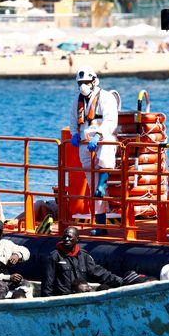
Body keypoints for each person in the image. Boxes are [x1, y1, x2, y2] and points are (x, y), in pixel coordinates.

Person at [69, 66, 119, 236]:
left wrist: (98, 134)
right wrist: (74, 134)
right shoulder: (77, 100)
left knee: (105, 160)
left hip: (103, 138)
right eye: (80, 83)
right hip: (84, 142)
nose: (83, 86)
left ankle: (103, 183)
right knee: (92, 186)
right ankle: (100, 225)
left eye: (86, 82)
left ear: (93, 82)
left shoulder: (106, 98)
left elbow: (111, 120)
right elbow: (73, 120)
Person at [41, 227, 123, 297]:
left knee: (104, 288)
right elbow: (47, 284)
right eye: (64, 237)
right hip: (65, 299)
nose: (66, 239)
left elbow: (99, 273)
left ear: (77, 239)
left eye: (69, 237)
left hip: (82, 297)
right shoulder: (54, 257)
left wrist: (121, 281)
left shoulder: (84, 256)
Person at [0, 217, 31, 299]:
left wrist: (17, 255)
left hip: (7, 279)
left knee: (25, 284)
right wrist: (8, 277)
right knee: (1, 287)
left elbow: (26, 251)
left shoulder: (7, 244)